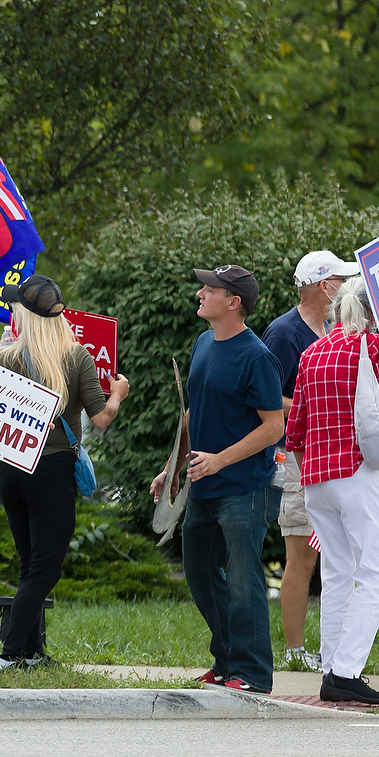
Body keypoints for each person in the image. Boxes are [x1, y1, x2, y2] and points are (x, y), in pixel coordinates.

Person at [284, 277, 379, 705]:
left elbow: (293, 433)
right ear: (373, 314)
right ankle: (345, 671)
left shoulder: (311, 353)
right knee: (376, 573)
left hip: (315, 479)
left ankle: (333, 668)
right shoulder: (369, 347)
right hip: (356, 473)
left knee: (338, 574)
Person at [151, 265, 283, 694]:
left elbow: (273, 427)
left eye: (210, 289)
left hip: (243, 487)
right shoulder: (203, 344)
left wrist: (220, 461)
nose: (199, 293)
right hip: (201, 483)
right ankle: (227, 660)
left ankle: (254, 673)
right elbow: (194, 413)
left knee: (244, 579)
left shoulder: (257, 356)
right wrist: (171, 471)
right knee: (199, 573)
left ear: (234, 302)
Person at [0, 275, 130, 670]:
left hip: (10, 466)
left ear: (24, 314)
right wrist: (119, 392)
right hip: (51, 469)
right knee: (46, 568)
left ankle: (30, 652)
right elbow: (101, 417)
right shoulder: (75, 356)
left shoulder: (4, 355)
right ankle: (11, 653)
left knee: (29, 560)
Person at [260, 250, 360, 670]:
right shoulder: (283, 333)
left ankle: (330, 648)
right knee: (301, 552)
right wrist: (319, 401)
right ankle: (295, 651)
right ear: (324, 286)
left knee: (336, 553)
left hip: (334, 455)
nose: (348, 286)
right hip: (298, 457)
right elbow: (264, 396)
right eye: (341, 278)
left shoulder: (336, 327)